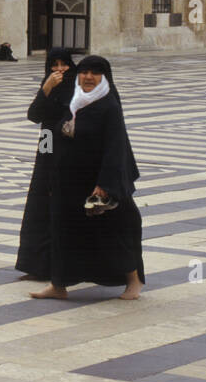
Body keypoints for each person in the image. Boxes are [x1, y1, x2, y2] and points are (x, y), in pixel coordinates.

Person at [30, 54, 145, 302]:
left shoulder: (109, 106)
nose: (88, 77)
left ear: (105, 77)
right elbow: (38, 117)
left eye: (95, 72)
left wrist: (105, 184)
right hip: (69, 179)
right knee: (63, 231)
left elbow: (115, 148)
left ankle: (134, 281)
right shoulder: (73, 100)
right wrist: (46, 88)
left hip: (100, 182)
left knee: (116, 231)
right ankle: (58, 284)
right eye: (84, 72)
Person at [14, 46, 75, 280]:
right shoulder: (48, 84)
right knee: (40, 203)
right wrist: (46, 88)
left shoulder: (77, 88)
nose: (59, 69)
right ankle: (36, 265)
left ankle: (64, 266)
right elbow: (34, 115)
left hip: (69, 149)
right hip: (48, 143)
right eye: (54, 65)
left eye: (64, 64)